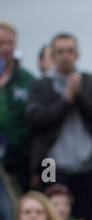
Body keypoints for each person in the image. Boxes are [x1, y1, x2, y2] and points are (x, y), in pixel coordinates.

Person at [25, 33, 92, 220]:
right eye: (60, 51)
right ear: (52, 55)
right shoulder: (41, 85)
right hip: (50, 164)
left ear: (77, 55)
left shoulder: (91, 82)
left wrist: (78, 96)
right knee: (51, 217)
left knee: (83, 219)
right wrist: (66, 100)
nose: (65, 56)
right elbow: (36, 119)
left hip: (87, 163)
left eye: (70, 51)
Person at [0, 22, 38, 198]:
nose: (6, 48)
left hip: (21, 162)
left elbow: (40, 126)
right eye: (1, 43)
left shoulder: (27, 80)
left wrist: (41, 169)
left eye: (10, 43)